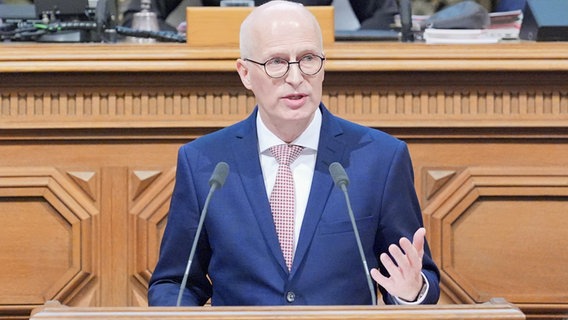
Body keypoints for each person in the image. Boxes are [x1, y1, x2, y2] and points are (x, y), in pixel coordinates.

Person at [148, 0, 440, 306]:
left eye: (308, 58)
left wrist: (410, 291)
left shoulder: (380, 159)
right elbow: (175, 282)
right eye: (276, 62)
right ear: (245, 73)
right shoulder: (204, 163)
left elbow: (421, 282)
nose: (296, 77)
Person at [122, 0, 398, 32]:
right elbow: (138, 16)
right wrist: (187, 40)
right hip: (220, 73)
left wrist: (332, 42)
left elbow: (390, 18)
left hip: (308, 75)